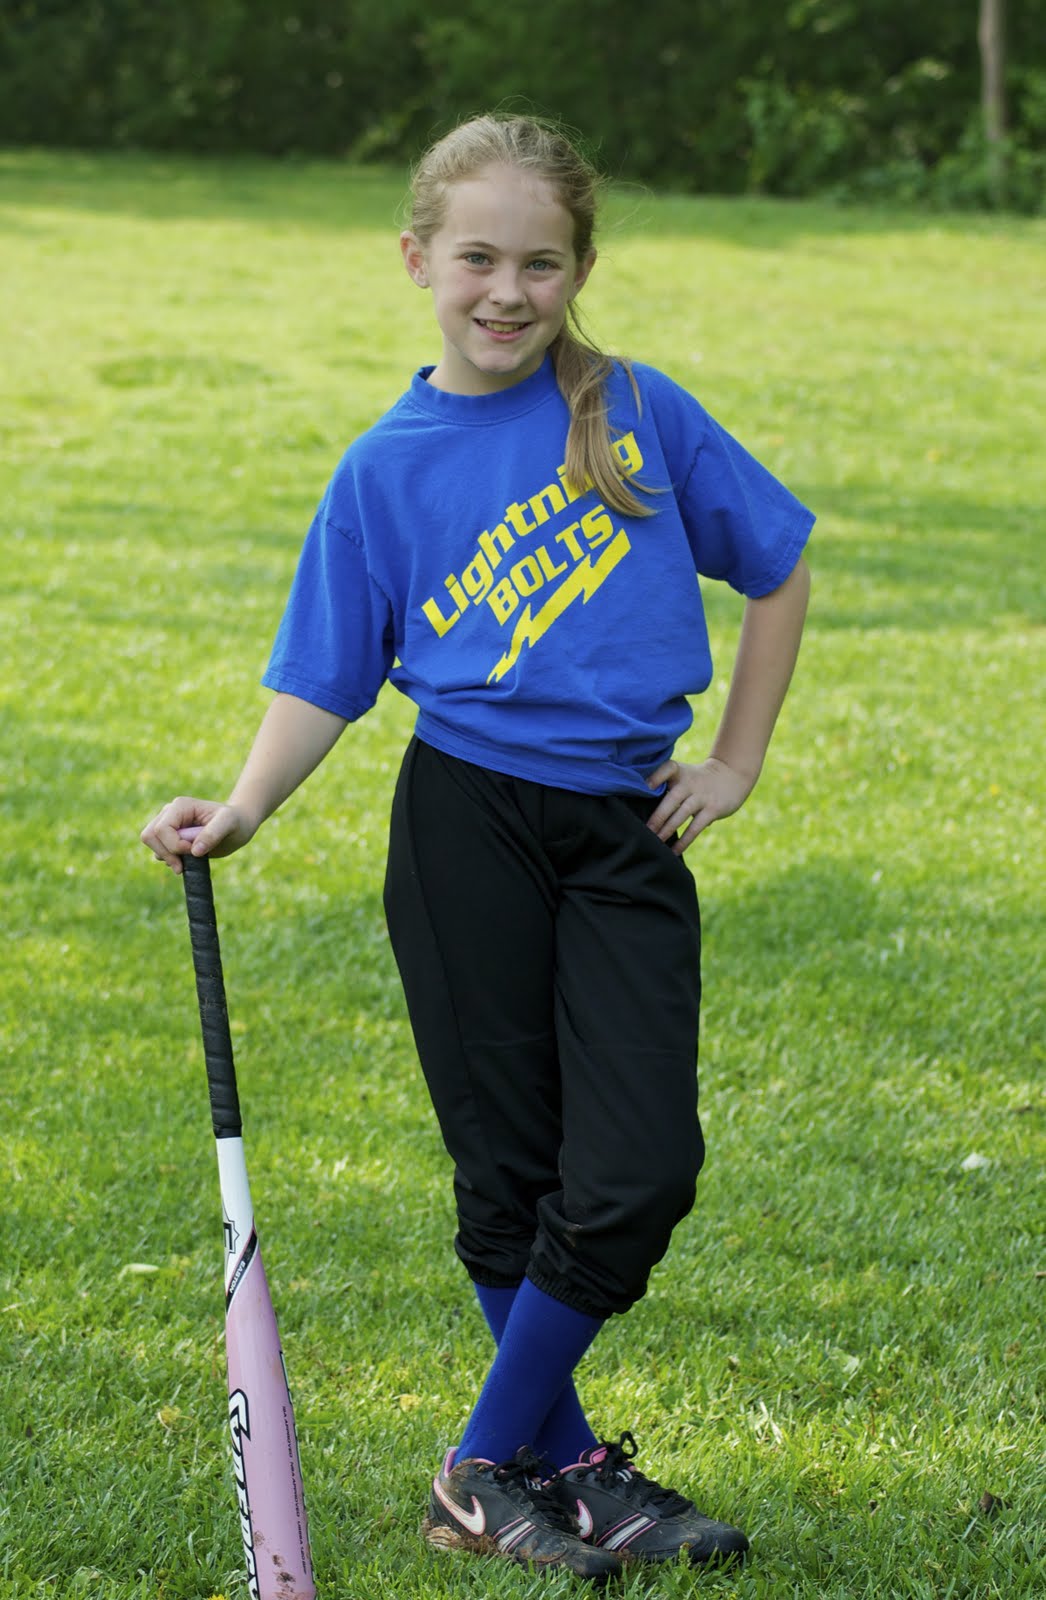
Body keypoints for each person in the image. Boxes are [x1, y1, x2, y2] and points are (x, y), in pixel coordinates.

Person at [142, 112, 812, 1581]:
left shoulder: (635, 413)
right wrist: (242, 806)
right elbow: (326, 674)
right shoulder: (384, 470)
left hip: (624, 829)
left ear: (579, 269)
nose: (507, 291)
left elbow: (776, 564)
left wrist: (738, 759)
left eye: (541, 263)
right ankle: (568, 1473)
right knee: (507, 1171)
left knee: (637, 1171)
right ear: (417, 260)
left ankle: (478, 1467)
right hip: (465, 827)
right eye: (477, 259)